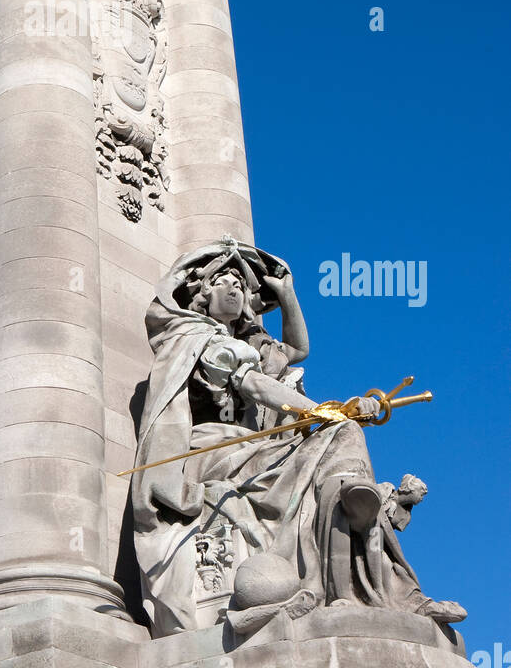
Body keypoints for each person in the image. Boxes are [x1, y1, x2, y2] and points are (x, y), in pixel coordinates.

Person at [131, 239, 466, 637]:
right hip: (213, 453)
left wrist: (287, 295)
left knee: (339, 454)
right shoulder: (195, 339)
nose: (236, 289)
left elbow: (297, 348)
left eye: (241, 285)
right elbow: (254, 385)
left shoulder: (251, 345)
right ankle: (356, 513)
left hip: (253, 452)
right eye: (225, 282)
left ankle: (387, 587)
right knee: (338, 430)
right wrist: (323, 411)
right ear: (202, 295)